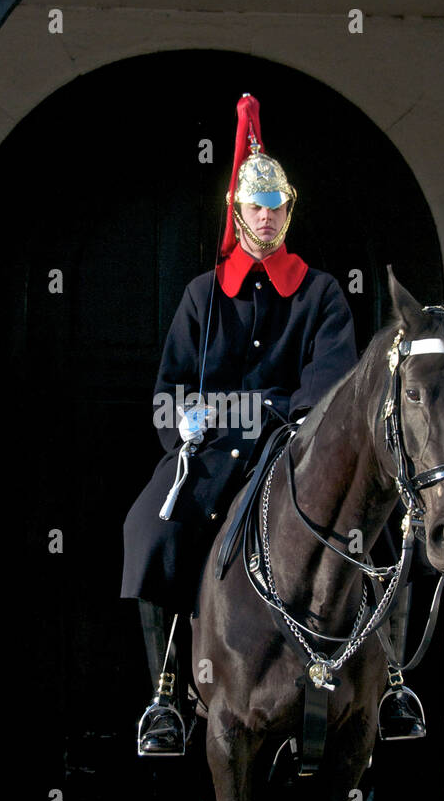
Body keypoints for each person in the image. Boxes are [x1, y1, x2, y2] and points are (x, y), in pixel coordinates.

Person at [121, 94, 423, 754]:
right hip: (209, 457)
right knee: (148, 530)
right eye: (256, 206)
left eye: (277, 206)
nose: (267, 217)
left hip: (293, 453)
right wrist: (184, 434)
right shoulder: (204, 294)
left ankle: (390, 681)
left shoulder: (318, 293)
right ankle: (165, 695)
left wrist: (265, 417)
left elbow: (329, 386)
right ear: (238, 211)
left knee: (380, 529)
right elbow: (168, 389)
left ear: (290, 212)